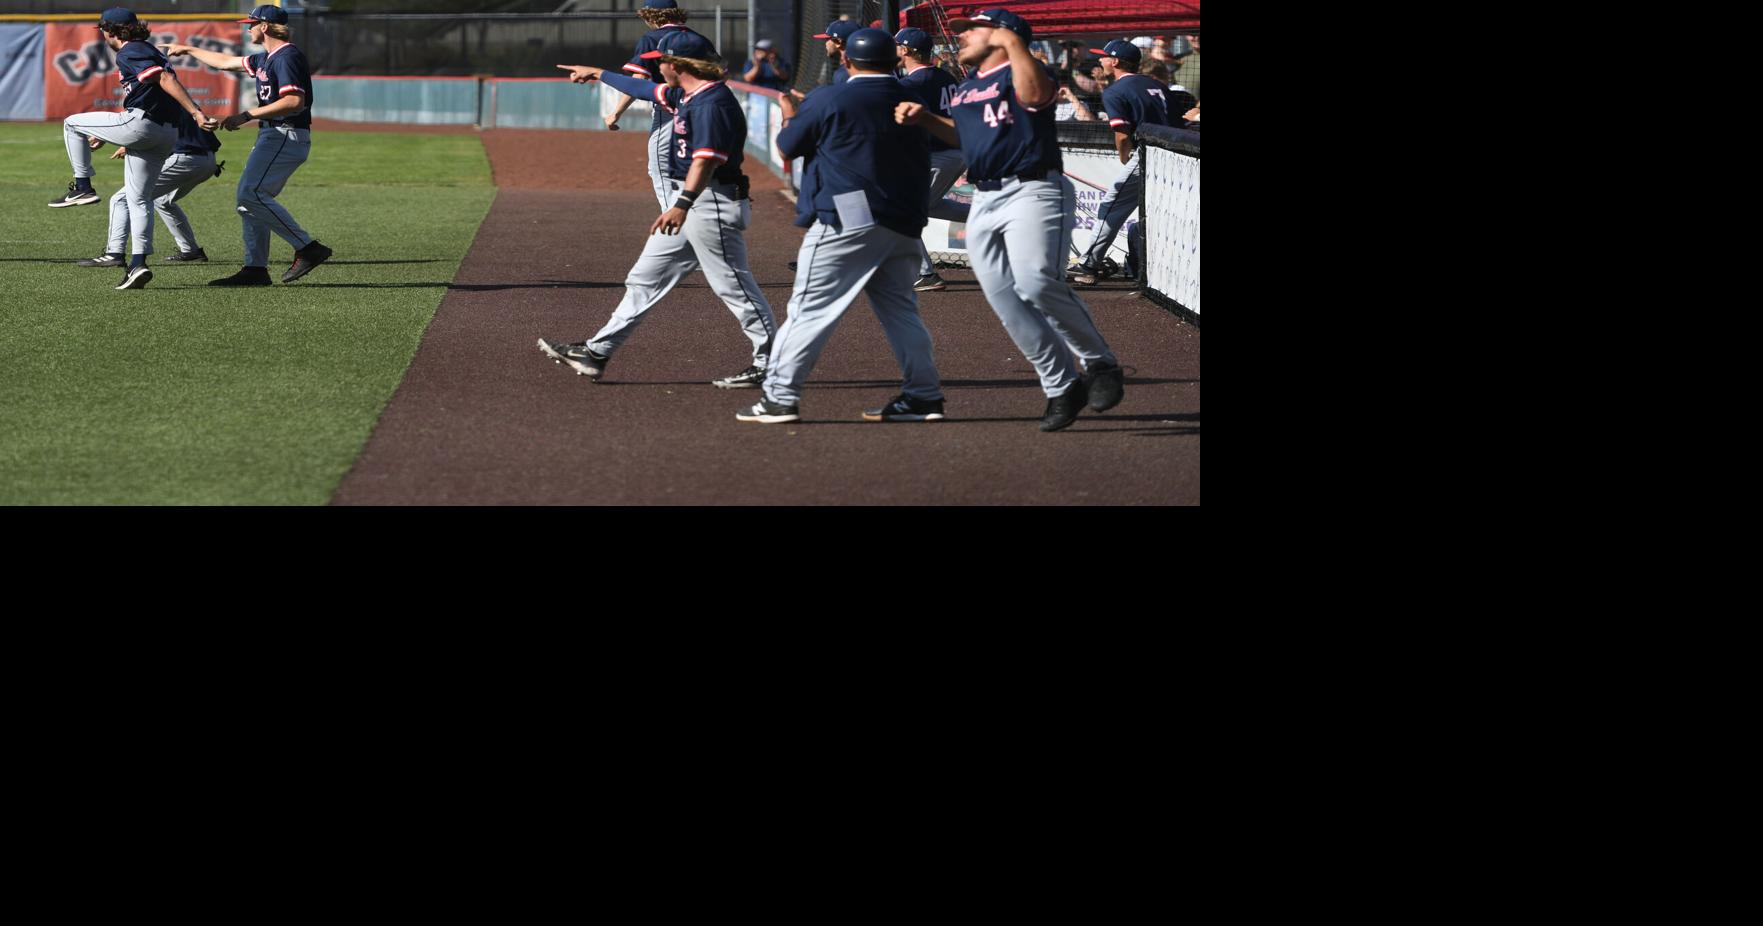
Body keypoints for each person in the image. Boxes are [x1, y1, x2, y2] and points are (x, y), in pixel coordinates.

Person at [895, 8, 1125, 432]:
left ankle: (1100, 362)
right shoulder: (968, 86)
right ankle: (1060, 386)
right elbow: (965, 135)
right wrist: (926, 118)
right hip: (986, 195)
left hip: (1033, 188)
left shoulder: (1024, 70)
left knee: (1036, 281)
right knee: (1004, 297)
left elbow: (1037, 96)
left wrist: (1012, 40)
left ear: (1003, 36)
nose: (960, 36)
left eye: (971, 30)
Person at [543, 30, 776, 389]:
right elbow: (643, 90)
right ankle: (596, 353)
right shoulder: (688, 94)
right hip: (693, 206)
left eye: (661, 61)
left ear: (679, 64)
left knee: (734, 287)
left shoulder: (712, 103)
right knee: (644, 279)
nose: (657, 67)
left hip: (710, 202)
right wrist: (597, 72)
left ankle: (773, 363)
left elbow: (705, 162)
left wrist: (681, 204)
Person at [736, 28, 942, 425]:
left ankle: (779, 398)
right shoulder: (912, 96)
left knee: (808, 310)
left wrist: (788, 111)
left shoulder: (832, 95)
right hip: (903, 216)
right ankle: (924, 395)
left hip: (850, 213)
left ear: (847, 61)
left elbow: (787, 146)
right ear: (894, 60)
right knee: (902, 311)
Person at [163, 4, 332, 287]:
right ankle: (255, 269)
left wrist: (246, 115)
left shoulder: (286, 57)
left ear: (264, 27)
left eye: (251, 24)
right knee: (249, 204)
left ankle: (308, 247)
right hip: (274, 135)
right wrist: (189, 50)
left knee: (250, 193)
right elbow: (225, 62)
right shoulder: (266, 58)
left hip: (285, 135)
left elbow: (294, 101)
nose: (248, 28)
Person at [53, 7, 216, 291]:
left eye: (103, 29)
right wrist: (111, 133)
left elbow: (164, 80)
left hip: (143, 124)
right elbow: (150, 91)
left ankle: (83, 186)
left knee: (71, 123)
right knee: (138, 200)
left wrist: (197, 112)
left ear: (110, 30)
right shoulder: (149, 49)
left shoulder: (129, 51)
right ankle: (138, 264)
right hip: (165, 132)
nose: (102, 35)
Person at [1067, 39, 1169, 286]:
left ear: (1115, 61)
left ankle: (1089, 264)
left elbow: (1122, 135)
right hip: (1177, 157)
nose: (1100, 60)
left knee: (1112, 205)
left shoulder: (1116, 90)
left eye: (1103, 57)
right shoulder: (1156, 84)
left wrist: (1125, 157)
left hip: (1149, 155)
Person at [77, 109, 223, 268]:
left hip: (185, 158)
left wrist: (120, 140)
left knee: (121, 200)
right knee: (162, 200)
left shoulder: (158, 99)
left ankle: (114, 253)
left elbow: (144, 128)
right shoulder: (178, 100)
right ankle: (191, 251)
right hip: (207, 161)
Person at [603, 0, 711, 211]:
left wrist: (616, 113)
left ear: (650, 16)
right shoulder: (699, 39)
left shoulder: (652, 38)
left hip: (669, 112)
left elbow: (639, 79)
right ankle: (695, 214)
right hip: (703, 110)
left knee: (660, 169)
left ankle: (672, 220)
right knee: (695, 164)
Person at [894, 26, 968, 293]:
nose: (895, 50)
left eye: (897, 46)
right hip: (955, 152)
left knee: (902, 211)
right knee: (930, 206)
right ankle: (990, 216)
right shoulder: (944, 76)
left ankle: (926, 274)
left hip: (939, 155)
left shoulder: (914, 82)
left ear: (906, 50)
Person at [813, 20, 858, 86]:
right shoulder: (859, 66)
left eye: (827, 39)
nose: (826, 43)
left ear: (838, 42)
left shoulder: (844, 74)